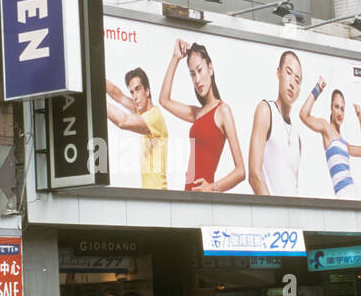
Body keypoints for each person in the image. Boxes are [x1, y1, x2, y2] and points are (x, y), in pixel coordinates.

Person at [158, 39, 245, 192]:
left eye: (200, 70)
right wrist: (175, 58)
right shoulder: (197, 113)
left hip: (204, 198)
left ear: (210, 69)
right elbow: (164, 100)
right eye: (192, 74)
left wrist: (212, 187)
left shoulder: (223, 111)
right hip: (188, 194)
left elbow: (241, 171)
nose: (197, 80)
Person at [298, 78, 361, 200]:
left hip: (353, 193)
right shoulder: (326, 128)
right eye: (336, 107)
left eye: (342, 108)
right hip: (342, 195)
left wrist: (360, 119)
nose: (340, 112)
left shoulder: (344, 143)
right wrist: (317, 89)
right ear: (331, 108)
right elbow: (303, 115)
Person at [247, 51, 303, 196]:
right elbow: (254, 175)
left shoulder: (297, 137)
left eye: (297, 80)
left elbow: (293, 185)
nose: (292, 83)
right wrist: (274, 213)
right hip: (272, 215)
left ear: (299, 90)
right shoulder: (266, 111)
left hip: (293, 215)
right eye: (288, 73)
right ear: (279, 73)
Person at [105, 67, 168, 189]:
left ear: (147, 91)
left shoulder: (154, 117)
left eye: (138, 89)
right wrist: (94, 77)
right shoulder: (143, 113)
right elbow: (118, 95)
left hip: (159, 194)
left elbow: (123, 121)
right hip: (149, 194)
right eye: (132, 92)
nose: (135, 96)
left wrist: (95, 99)